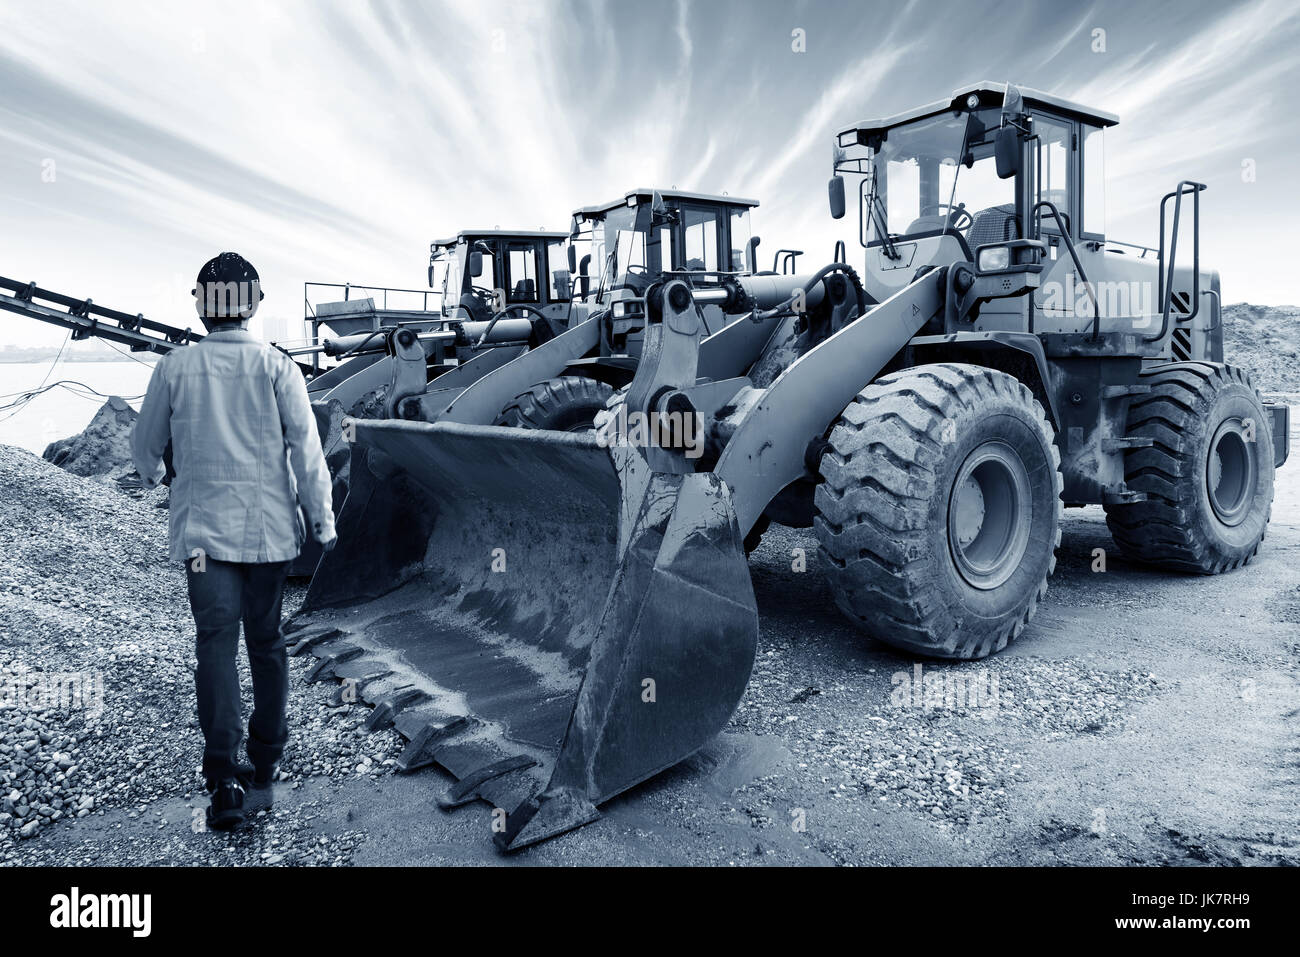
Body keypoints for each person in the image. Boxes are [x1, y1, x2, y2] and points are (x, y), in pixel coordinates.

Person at [130, 252, 336, 831]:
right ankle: (265, 765)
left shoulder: (174, 367)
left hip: (202, 540)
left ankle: (223, 777)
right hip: (269, 534)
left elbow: (144, 445)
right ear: (255, 306)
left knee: (215, 646)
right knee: (266, 644)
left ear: (200, 305)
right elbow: (307, 451)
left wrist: (154, 475)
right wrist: (322, 520)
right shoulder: (279, 368)